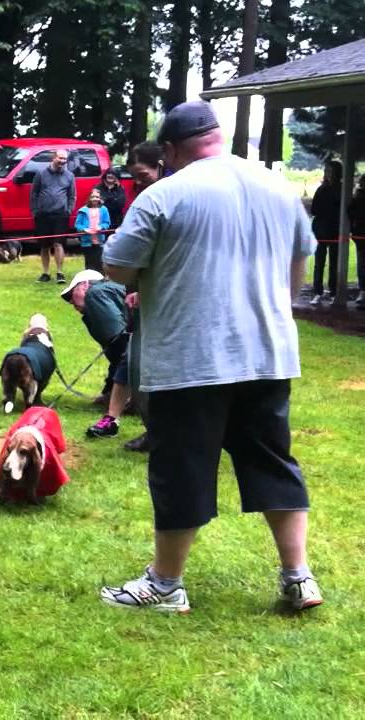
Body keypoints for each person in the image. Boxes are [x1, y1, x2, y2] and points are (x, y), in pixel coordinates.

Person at [99, 100, 322, 613]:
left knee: (181, 468)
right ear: (217, 138)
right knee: (273, 460)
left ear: (172, 150)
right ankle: (298, 577)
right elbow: (299, 262)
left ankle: (165, 585)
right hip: (268, 352)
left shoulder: (165, 194)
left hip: (190, 357)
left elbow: (116, 268)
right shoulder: (279, 187)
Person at [120, 141, 165, 453]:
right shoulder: (141, 197)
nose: (138, 180)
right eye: (134, 175)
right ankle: (153, 431)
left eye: (142, 173)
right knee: (139, 367)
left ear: (161, 164)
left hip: (167, 297)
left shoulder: (173, 196)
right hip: (142, 291)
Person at [60, 269, 130, 439]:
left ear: (85, 285)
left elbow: (120, 343)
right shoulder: (109, 292)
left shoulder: (95, 295)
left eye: (71, 295)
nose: (72, 304)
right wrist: (108, 391)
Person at [30, 149, 75, 283]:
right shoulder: (41, 174)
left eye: (65, 159)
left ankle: (60, 272)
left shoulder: (69, 176)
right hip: (43, 215)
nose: (63, 161)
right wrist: (35, 211)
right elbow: (34, 194)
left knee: (58, 244)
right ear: (53, 158)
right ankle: (45, 273)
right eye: (60, 158)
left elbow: (72, 196)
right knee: (44, 245)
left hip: (61, 214)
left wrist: (69, 210)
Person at [308, 159, 342, 305]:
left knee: (335, 262)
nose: (328, 174)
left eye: (331, 171)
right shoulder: (321, 189)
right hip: (321, 231)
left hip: (335, 231)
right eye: (327, 171)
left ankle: (333, 291)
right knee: (319, 263)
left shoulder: (341, 189)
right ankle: (317, 292)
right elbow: (314, 209)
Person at [75, 188, 112, 272]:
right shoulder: (82, 210)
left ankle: (101, 280)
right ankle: (90, 281)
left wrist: (101, 227)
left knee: (99, 262)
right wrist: (85, 229)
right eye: (93, 197)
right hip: (86, 241)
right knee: (89, 263)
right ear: (89, 198)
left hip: (99, 241)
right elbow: (78, 225)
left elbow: (107, 223)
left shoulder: (104, 209)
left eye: (97, 197)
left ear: (100, 198)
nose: (95, 199)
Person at [351, 175, 365, 309]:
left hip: (359, 234)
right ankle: (362, 290)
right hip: (360, 235)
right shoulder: (358, 198)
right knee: (362, 264)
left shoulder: (357, 197)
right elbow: (351, 212)